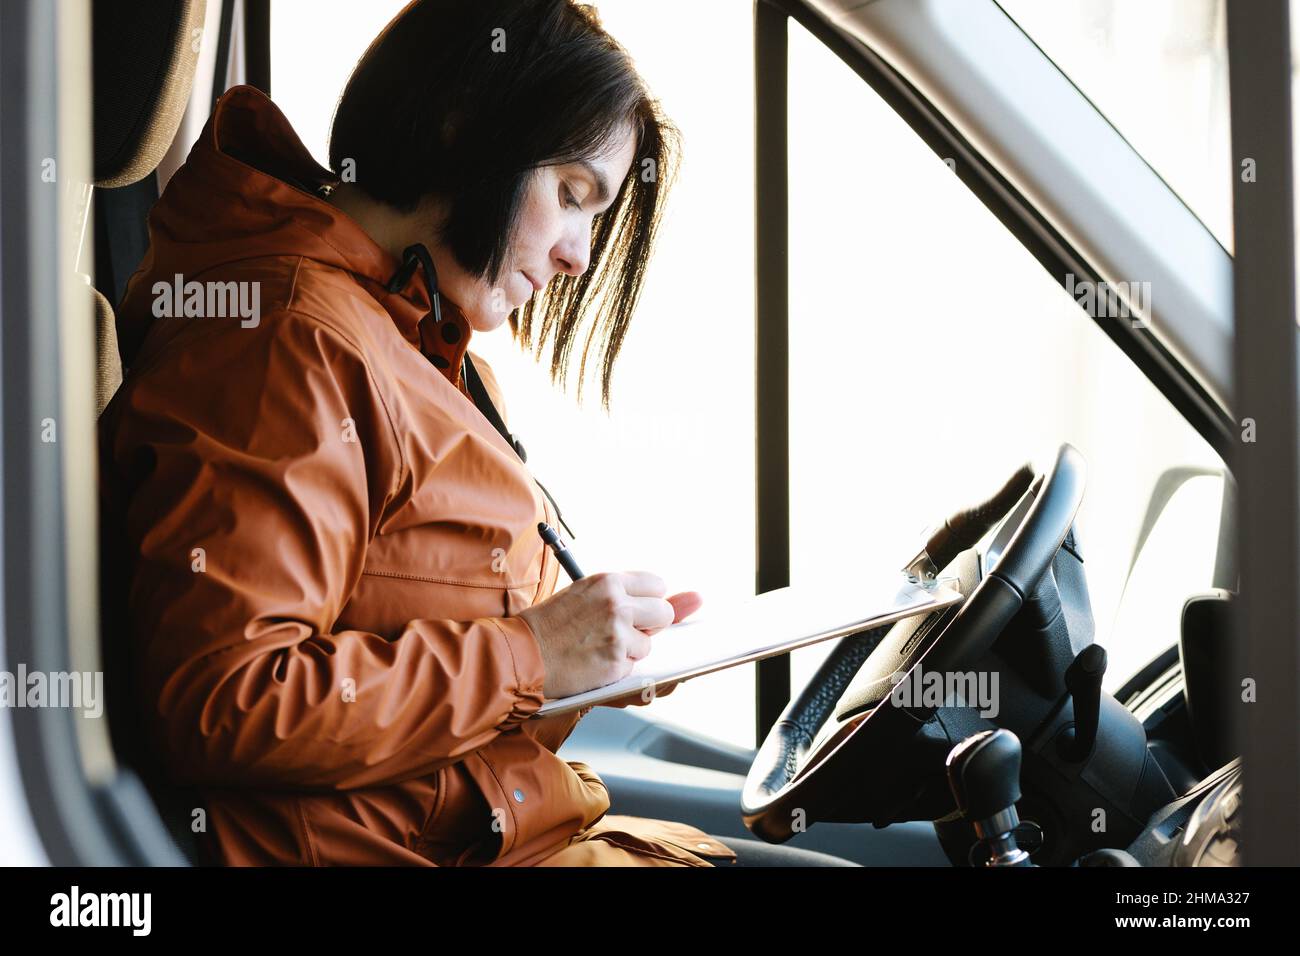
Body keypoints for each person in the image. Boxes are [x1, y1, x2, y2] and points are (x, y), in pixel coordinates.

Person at [98, 0, 858, 867]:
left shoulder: (411, 334)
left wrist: (595, 657)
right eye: (572, 194)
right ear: (464, 129)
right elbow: (227, 699)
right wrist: (535, 653)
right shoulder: (289, 344)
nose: (577, 254)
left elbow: (418, 644)